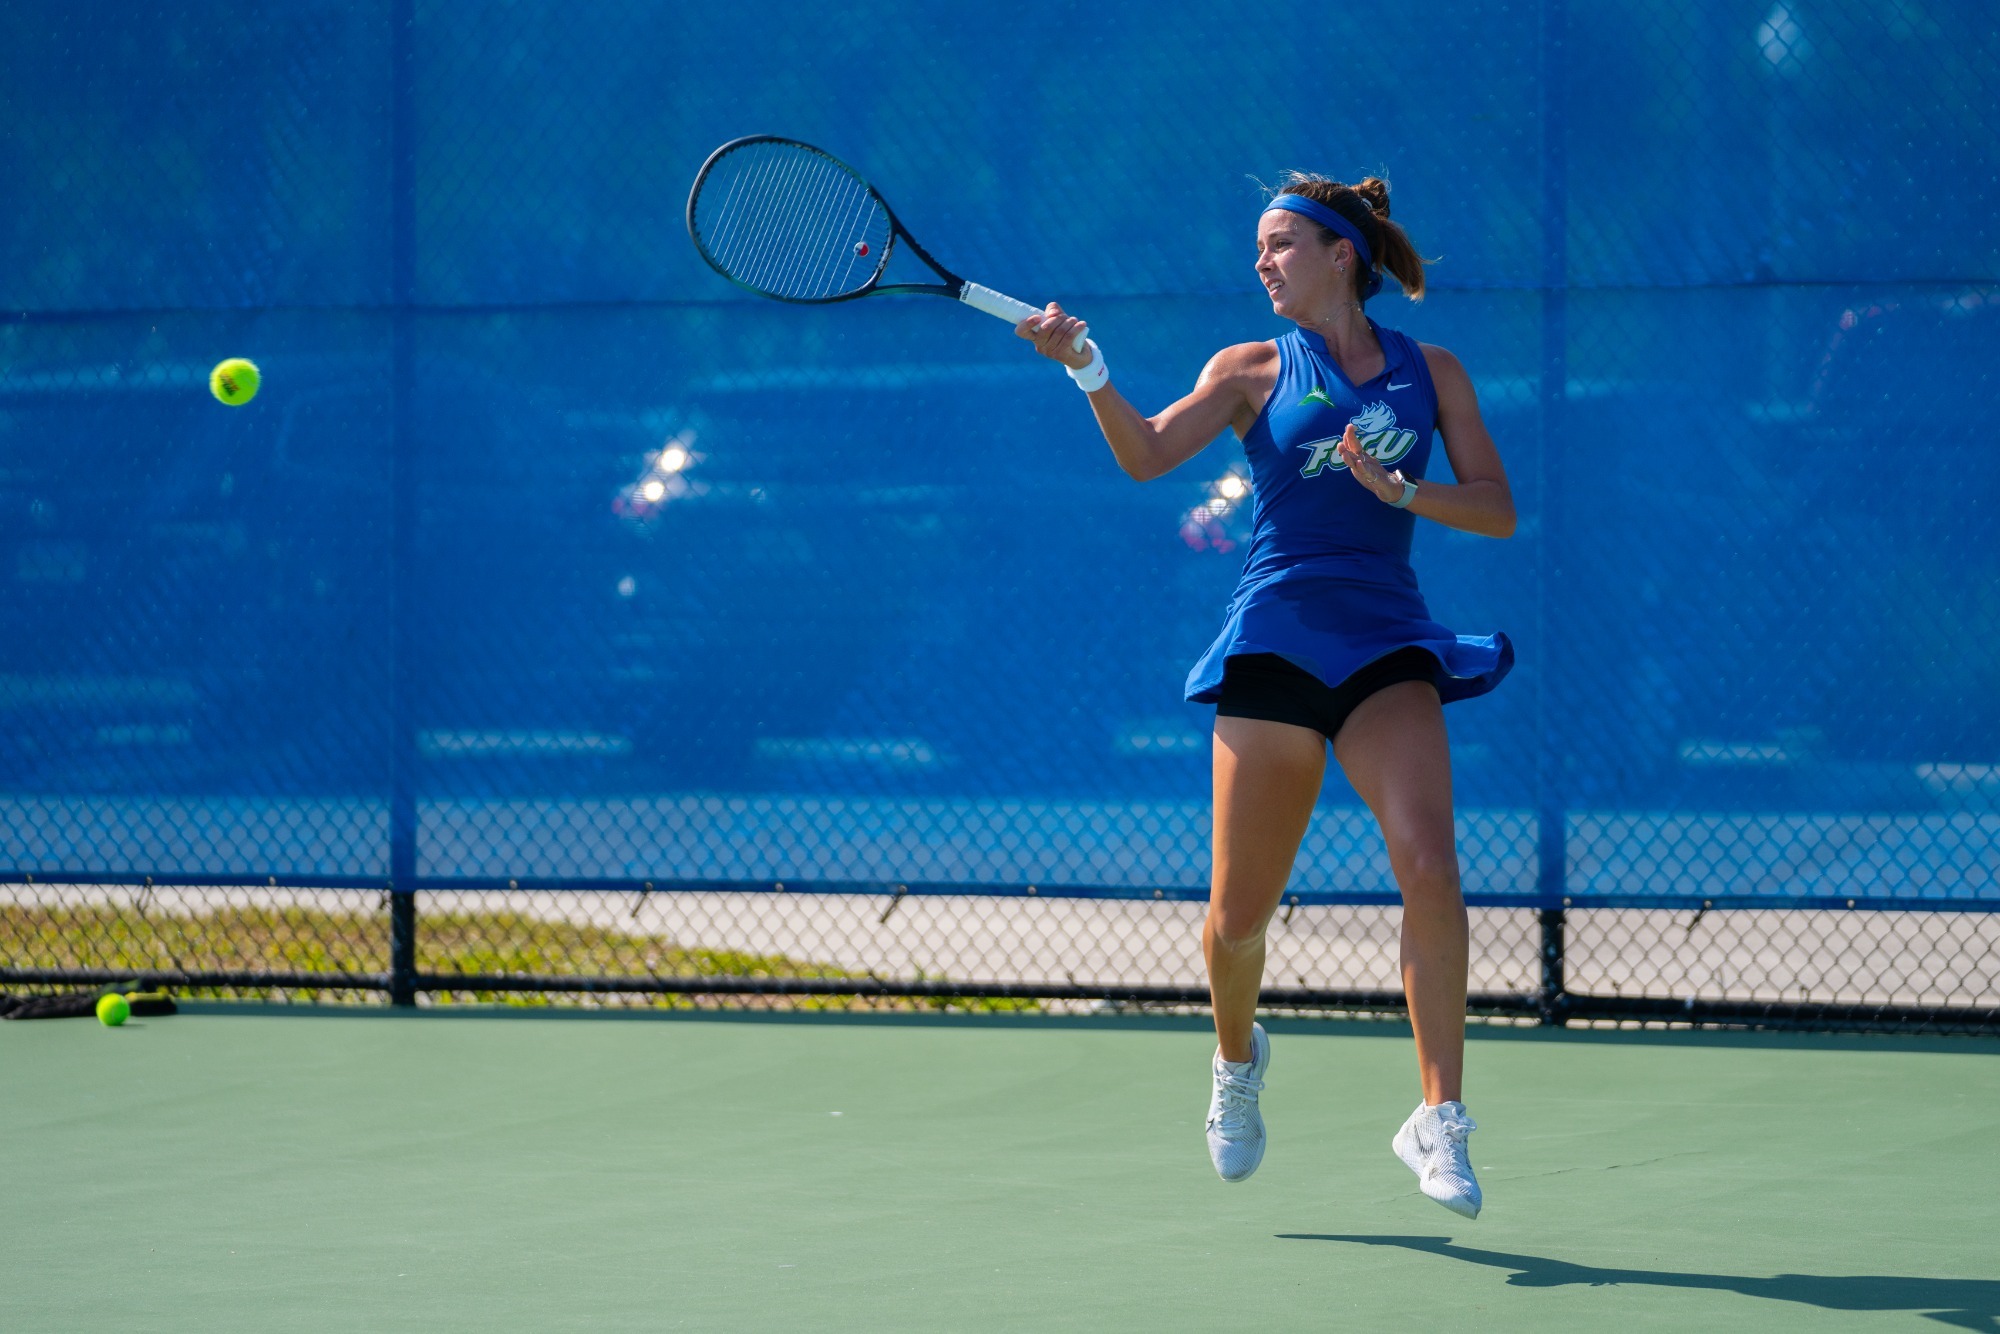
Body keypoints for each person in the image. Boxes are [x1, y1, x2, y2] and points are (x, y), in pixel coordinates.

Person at [1017, 171, 1515, 1218]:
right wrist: (1086, 367)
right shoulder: (1247, 367)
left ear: (1342, 254)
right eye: (1258, 247)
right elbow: (1147, 454)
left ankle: (1439, 1118)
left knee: (1429, 863)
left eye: (1281, 242)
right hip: (1276, 644)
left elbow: (1495, 508)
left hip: (1386, 641)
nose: (1262, 262)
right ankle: (1235, 1057)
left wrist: (1401, 492)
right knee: (1238, 917)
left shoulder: (1435, 375)